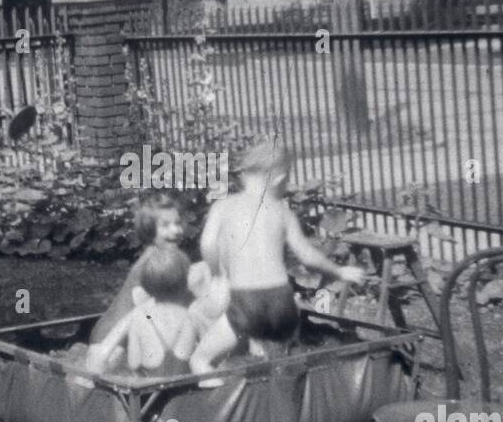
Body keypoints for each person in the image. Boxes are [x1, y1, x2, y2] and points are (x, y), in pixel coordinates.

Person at [189, 135, 366, 380]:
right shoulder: (282, 212)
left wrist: (218, 274)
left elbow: (208, 243)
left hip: (247, 301)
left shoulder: (224, 206)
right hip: (282, 301)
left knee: (200, 359)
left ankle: (220, 400)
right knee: (283, 352)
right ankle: (287, 370)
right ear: (281, 178)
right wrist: (339, 272)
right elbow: (307, 256)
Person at [88, 192, 189, 345]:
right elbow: (143, 311)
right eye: (166, 225)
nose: (176, 230)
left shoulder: (165, 256)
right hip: (110, 339)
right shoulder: (154, 262)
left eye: (178, 223)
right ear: (149, 230)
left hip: (117, 336)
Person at [86, 246, 200, 377]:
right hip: (180, 387)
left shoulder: (140, 315)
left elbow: (133, 363)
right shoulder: (190, 315)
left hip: (149, 390)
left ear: (146, 286)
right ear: (184, 284)